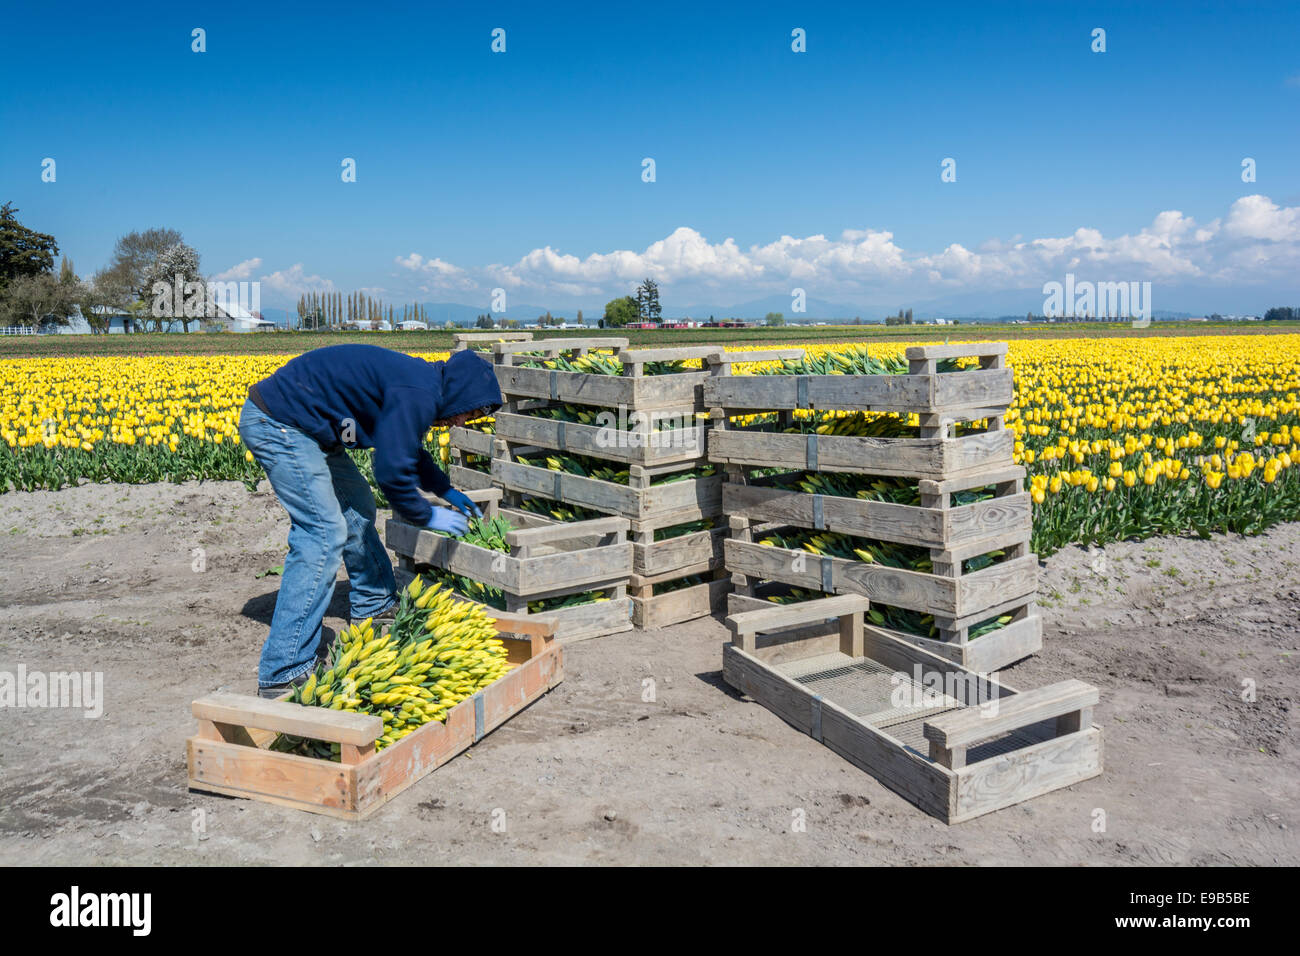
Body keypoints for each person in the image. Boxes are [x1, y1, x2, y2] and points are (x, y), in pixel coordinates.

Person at [238, 344, 502, 698]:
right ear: (459, 392)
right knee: (323, 534)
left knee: (358, 505)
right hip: (280, 424)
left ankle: (374, 604)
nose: (460, 422)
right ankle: (283, 670)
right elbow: (391, 470)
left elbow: (403, 446)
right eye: (466, 412)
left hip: (309, 428)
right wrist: (427, 514)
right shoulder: (419, 392)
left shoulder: (422, 385)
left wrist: (444, 489)